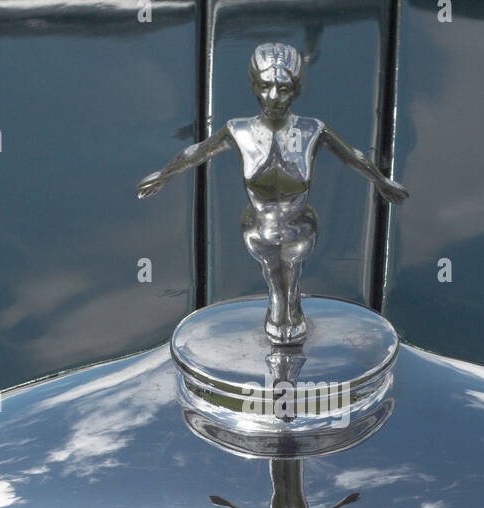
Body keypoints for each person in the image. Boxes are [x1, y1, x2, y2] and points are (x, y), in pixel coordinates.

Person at [138, 42, 408, 345]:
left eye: (283, 88)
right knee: (275, 270)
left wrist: (382, 181)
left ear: (296, 89)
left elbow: (352, 156)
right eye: (265, 86)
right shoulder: (237, 130)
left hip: (300, 227)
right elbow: (197, 152)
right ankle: (284, 308)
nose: (273, 97)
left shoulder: (312, 130)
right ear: (254, 84)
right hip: (258, 228)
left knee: (287, 270)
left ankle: (284, 308)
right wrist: (164, 175)